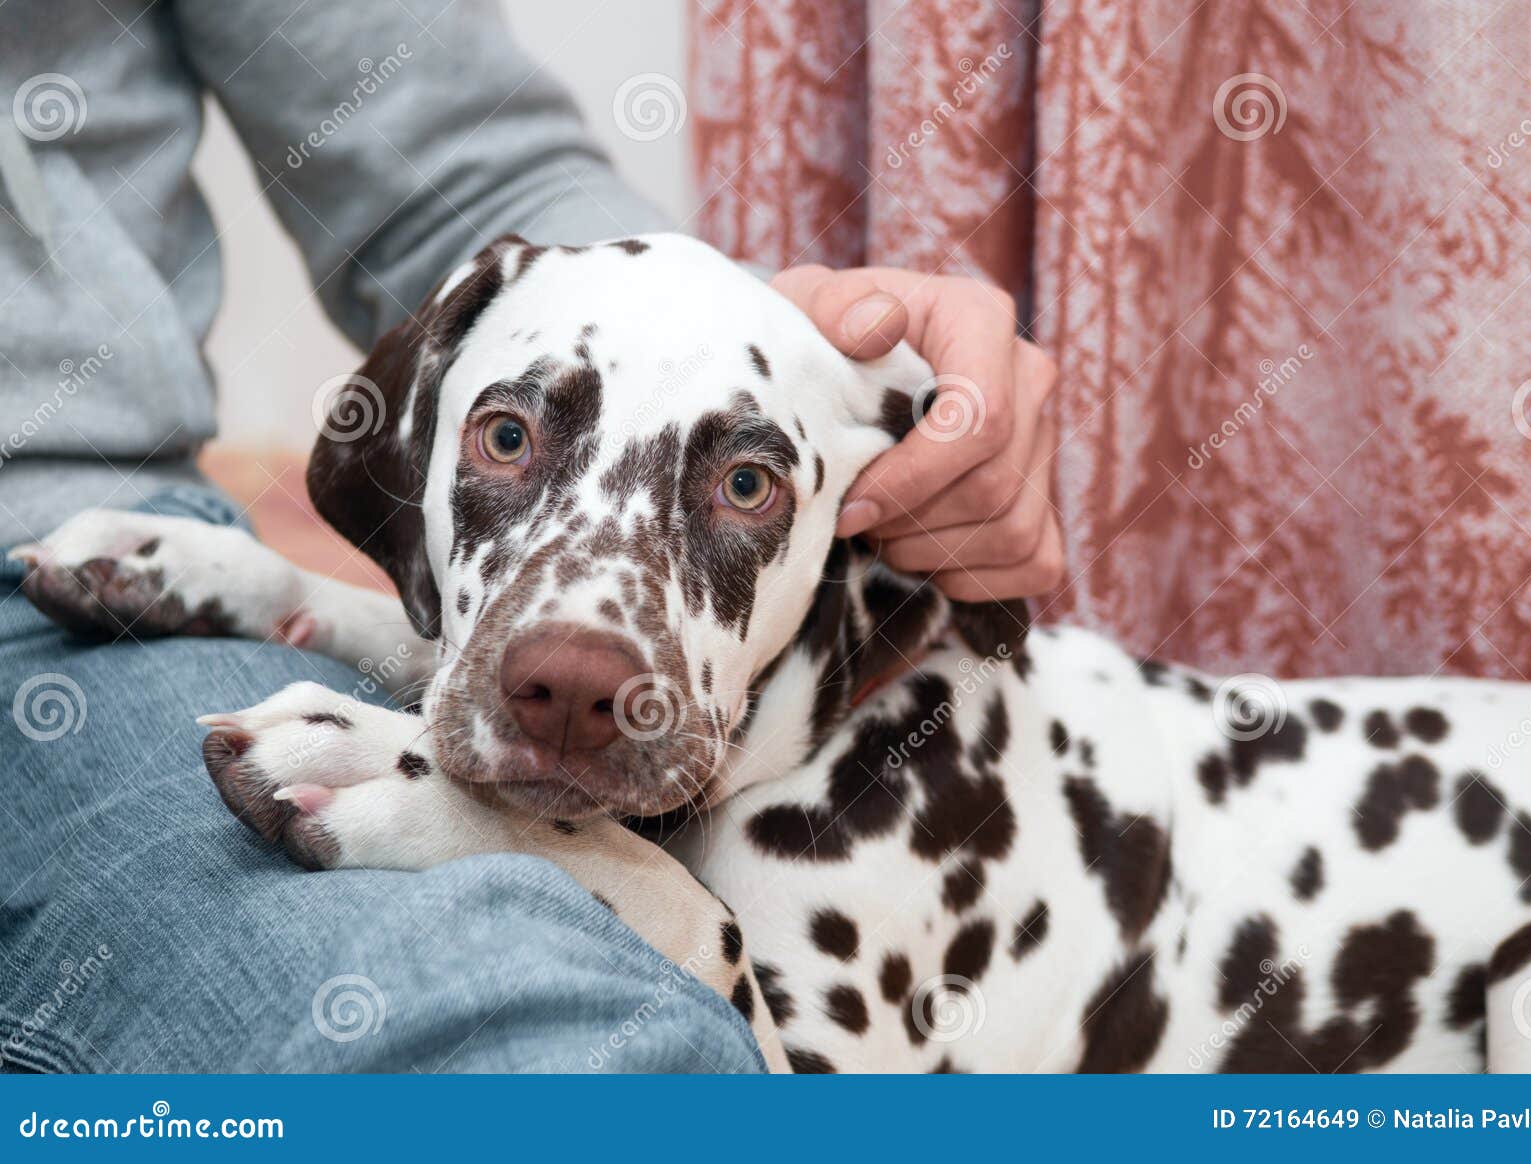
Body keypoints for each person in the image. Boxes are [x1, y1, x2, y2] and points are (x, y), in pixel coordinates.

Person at [0, 0, 1060, 1072]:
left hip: (43, 568)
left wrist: (805, 347)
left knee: (547, 1048)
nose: (577, 674)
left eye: (746, 481)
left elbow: (465, 167)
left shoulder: (908, 721)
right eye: (509, 438)